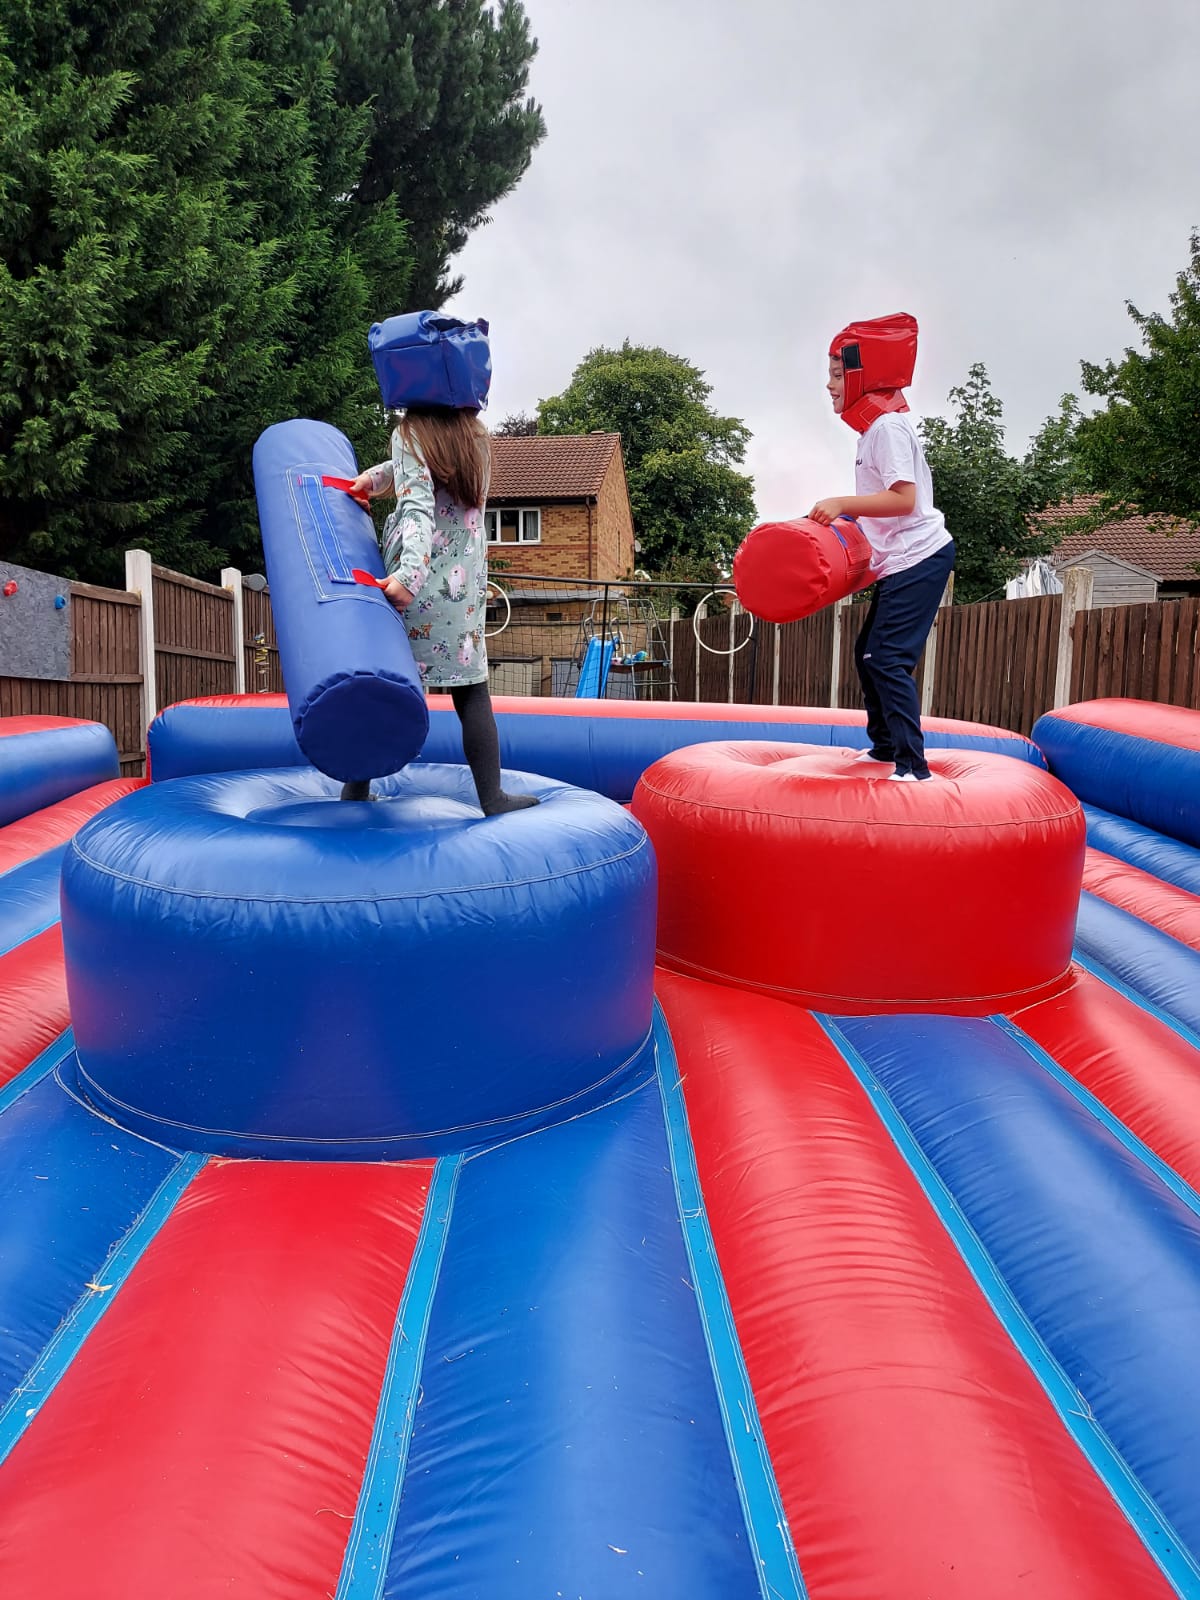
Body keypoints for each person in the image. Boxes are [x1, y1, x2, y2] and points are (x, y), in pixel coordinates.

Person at [347, 406, 539, 815]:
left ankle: (356, 790)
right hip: (463, 589)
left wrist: (409, 577)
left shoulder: (413, 432)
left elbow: (418, 512)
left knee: (385, 687)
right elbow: (426, 469)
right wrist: (378, 478)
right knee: (471, 692)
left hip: (418, 587)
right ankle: (492, 796)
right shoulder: (475, 438)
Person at [810, 313, 954, 781]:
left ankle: (913, 766)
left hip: (922, 556)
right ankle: (886, 747)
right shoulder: (872, 433)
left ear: (862, 376)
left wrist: (840, 502)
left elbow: (903, 498)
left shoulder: (888, 428)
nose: (829, 386)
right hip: (902, 561)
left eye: (837, 374)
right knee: (865, 652)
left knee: (886, 657)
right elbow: (880, 508)